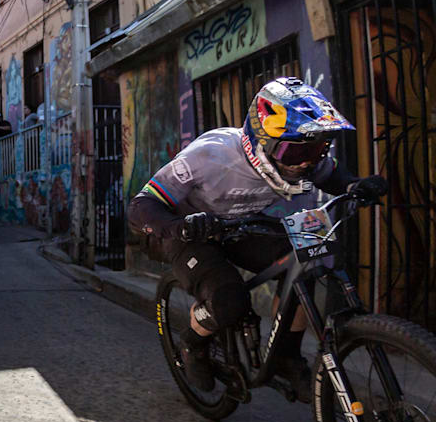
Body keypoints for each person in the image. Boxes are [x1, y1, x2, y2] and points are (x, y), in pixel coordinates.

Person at [127, 77, 386, 401]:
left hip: (238, 223)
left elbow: (331, 174)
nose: (307, 161)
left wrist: (355, 186)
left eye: (317, 149)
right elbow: (141, 207)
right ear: (260, 142)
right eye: (297, 151)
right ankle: (193, 343)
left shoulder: (298, 158)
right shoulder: (210, 155)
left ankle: (286, 358)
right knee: (229, 301)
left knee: (308, 261)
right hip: (185, 230)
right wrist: (180, 226)